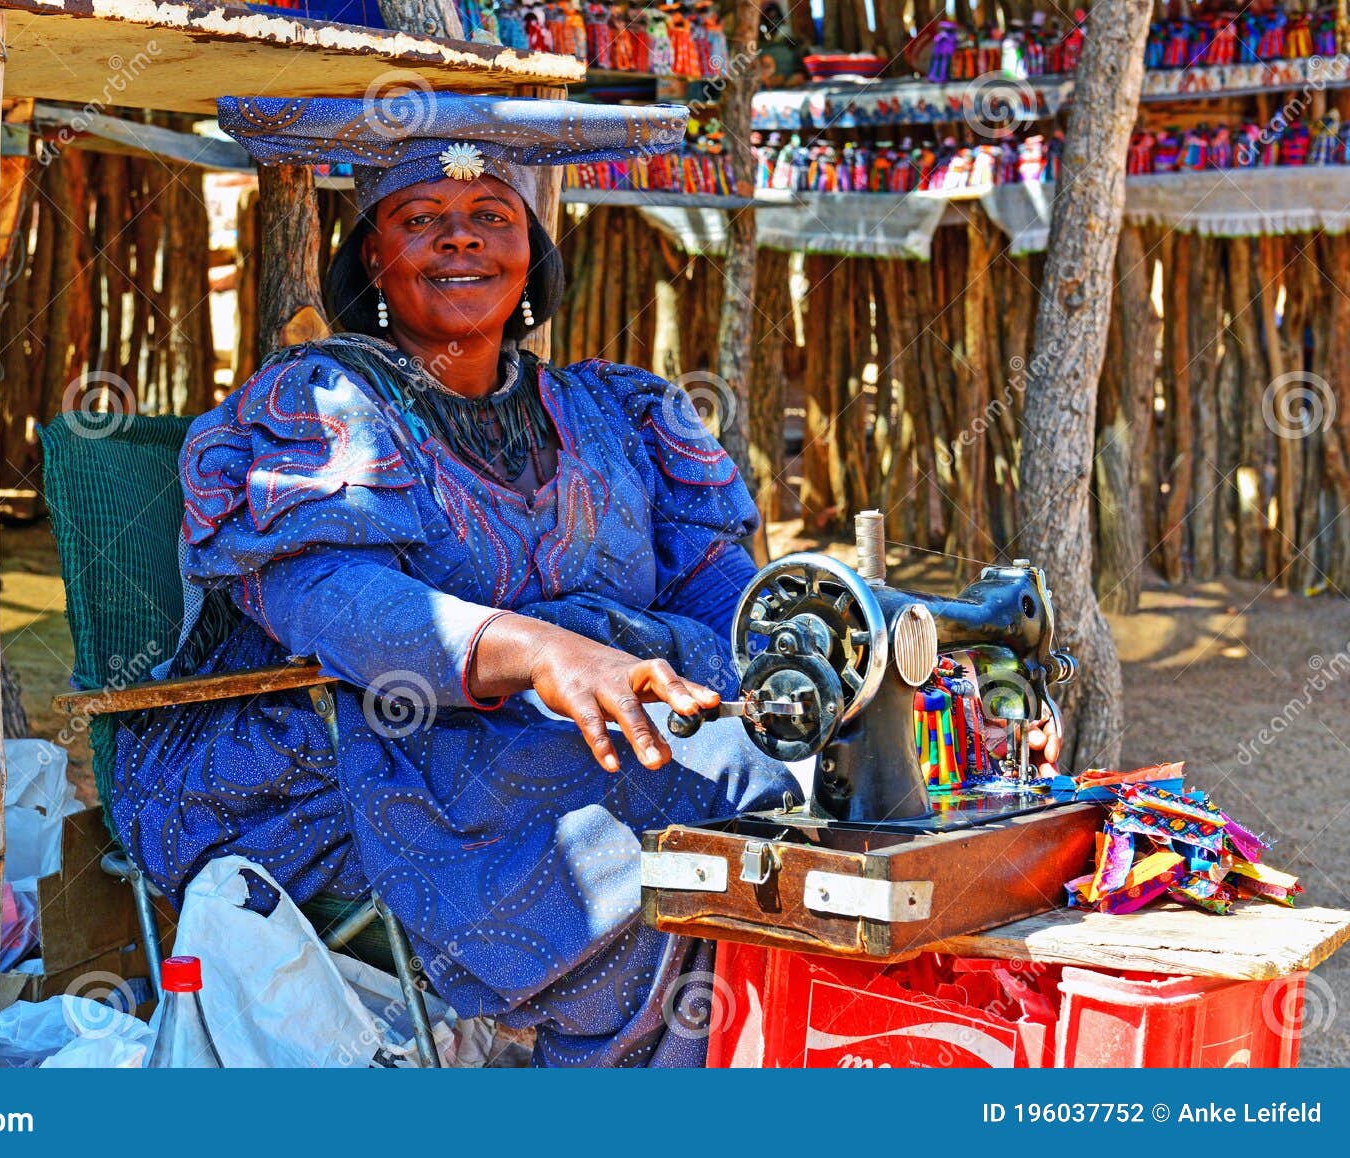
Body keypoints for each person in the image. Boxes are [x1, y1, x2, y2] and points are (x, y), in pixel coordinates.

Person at [111, 94, 1054, 1067]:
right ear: (372, 261)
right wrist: (541, 653)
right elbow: (336, 606)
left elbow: (714, 588)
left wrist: (830, 654)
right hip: (363, 748)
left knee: (809, 782)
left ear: (532, 251)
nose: (458, 241)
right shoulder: (325, 405)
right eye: (419, 219)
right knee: (707, 805)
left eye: (489, 217)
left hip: (583, 730)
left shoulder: (620, 413)